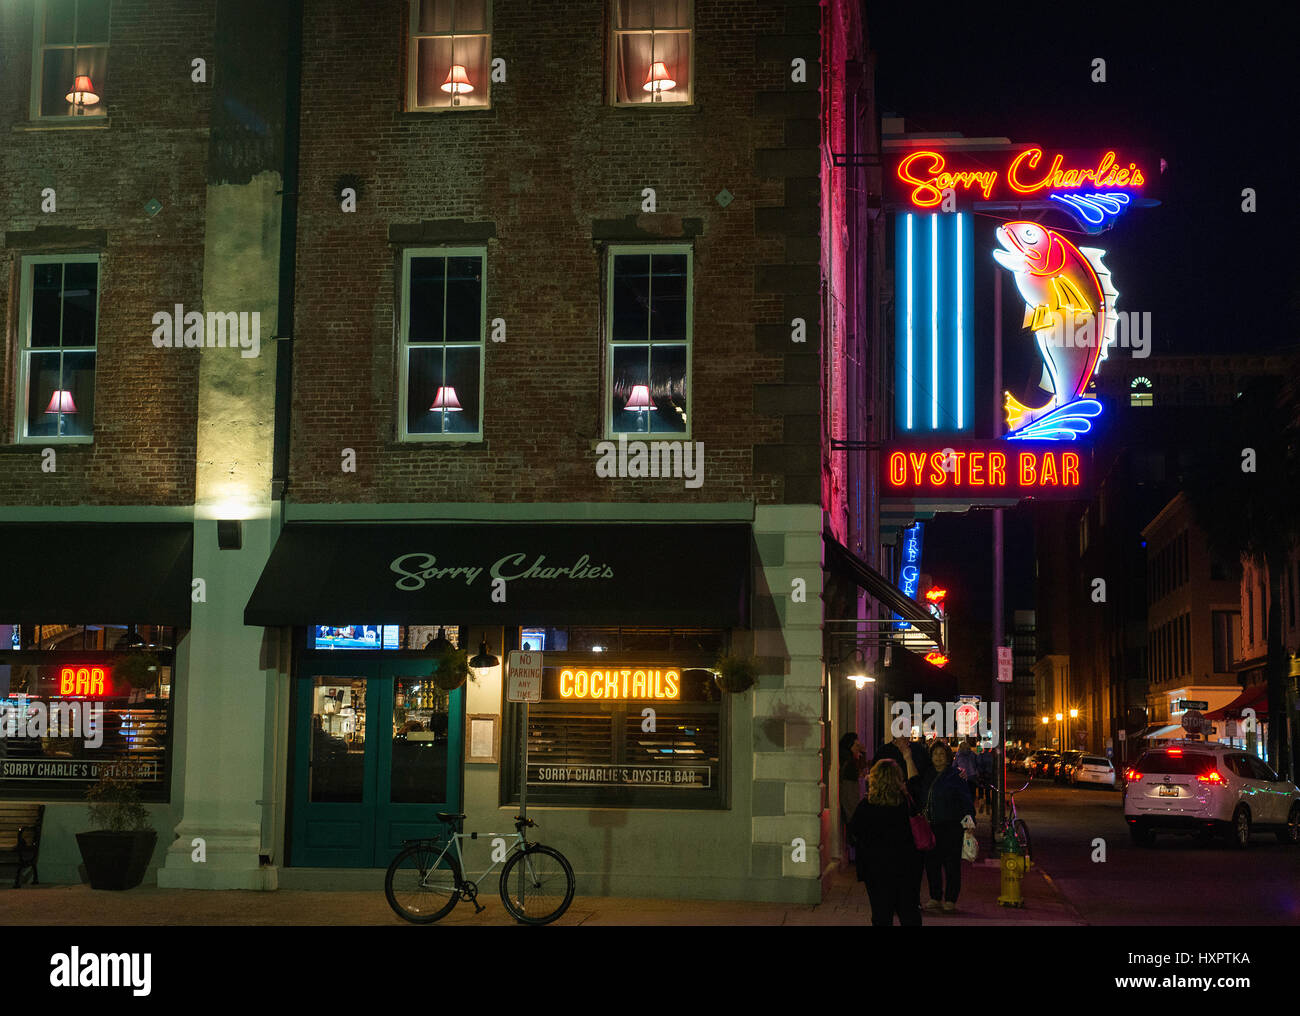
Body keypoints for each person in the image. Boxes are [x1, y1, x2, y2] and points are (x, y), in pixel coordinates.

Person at [849, 759, 922, 926]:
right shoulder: (906, 805)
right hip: (906, 867)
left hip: (875, 868)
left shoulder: (866, 806)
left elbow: (854, 833)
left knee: (881, 913)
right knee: (908, 911)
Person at [911, 740, 974, 912]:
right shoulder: (927, 775)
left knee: (951, 864)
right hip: (931, 825)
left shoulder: (955, 776)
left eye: (941, 754)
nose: (938, 757)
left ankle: (951, 899)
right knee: (932, 863)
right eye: (935, 754)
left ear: (947, 757)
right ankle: (935, 897)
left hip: (951, 826)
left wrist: (969, 819)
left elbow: (965, 799)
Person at [839, 732, 867, 862]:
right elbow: (849, 791)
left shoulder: (849, 760)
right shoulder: (850, 763)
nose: (858, 747)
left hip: (850, 802)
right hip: (850, 802)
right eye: (856, 745)